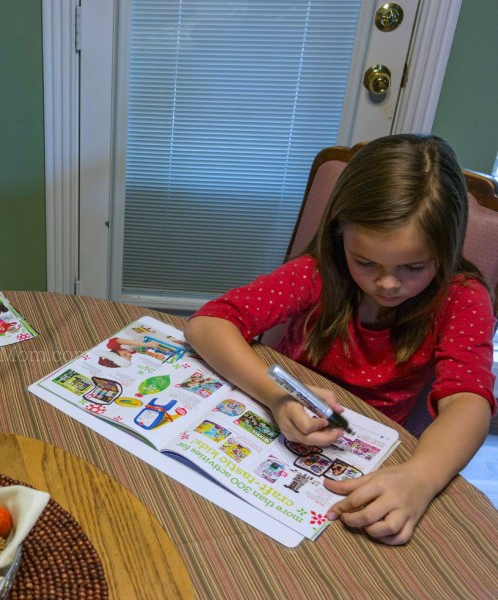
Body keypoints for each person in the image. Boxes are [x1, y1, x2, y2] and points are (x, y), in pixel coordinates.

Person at [185, 134, 495, 545]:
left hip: (370, 450)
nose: (386, 283)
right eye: (365, 262)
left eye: (414, 267)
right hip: (276, 420)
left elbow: (468, 401)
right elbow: (208, 323)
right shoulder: (317, 272)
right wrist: (276, 396)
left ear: (447, 249)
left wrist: (421, 478)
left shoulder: (463, 299)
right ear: (339, 237)